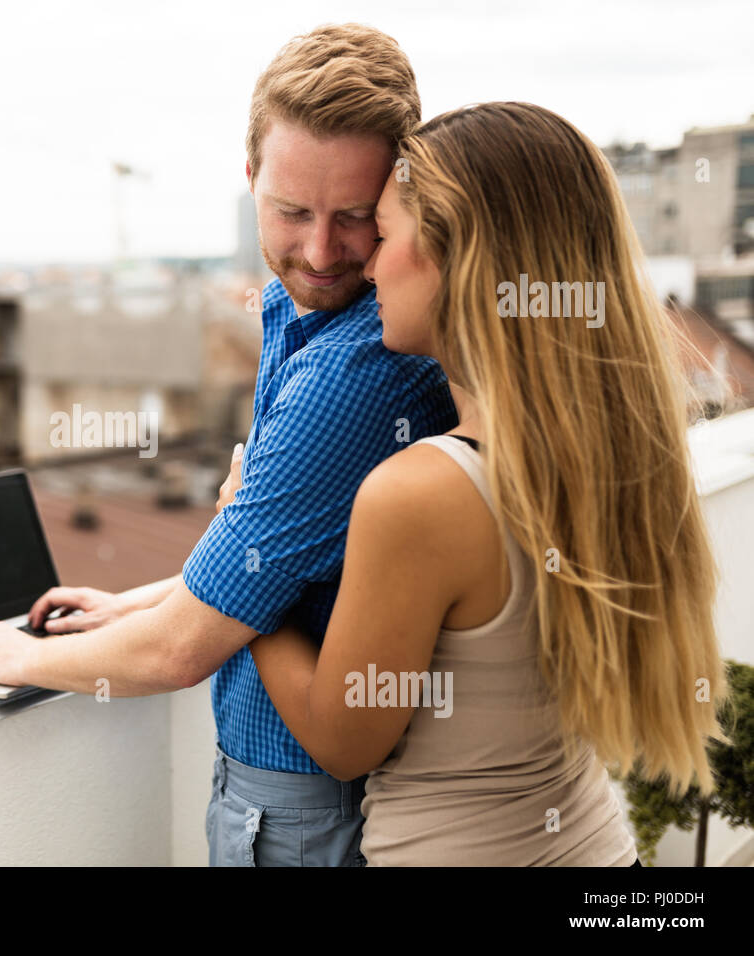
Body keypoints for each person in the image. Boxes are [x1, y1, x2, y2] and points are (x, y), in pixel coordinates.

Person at [0, 23, 457, 866]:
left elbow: (183, 652)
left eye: (355, 219)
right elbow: (285, 553)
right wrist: (137, 601)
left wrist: (20, 658)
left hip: (299, 810)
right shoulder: (303, 313)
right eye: (291, 211)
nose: (321, 252)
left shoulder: (359, 366)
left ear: (402, 203)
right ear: (249, 178)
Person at [246, 101, 729, 865]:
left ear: (456, 260)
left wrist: (251, 567)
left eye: (386, 233)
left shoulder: (422, 495)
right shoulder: (608, 448)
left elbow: (340, 738)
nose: (367, 265)